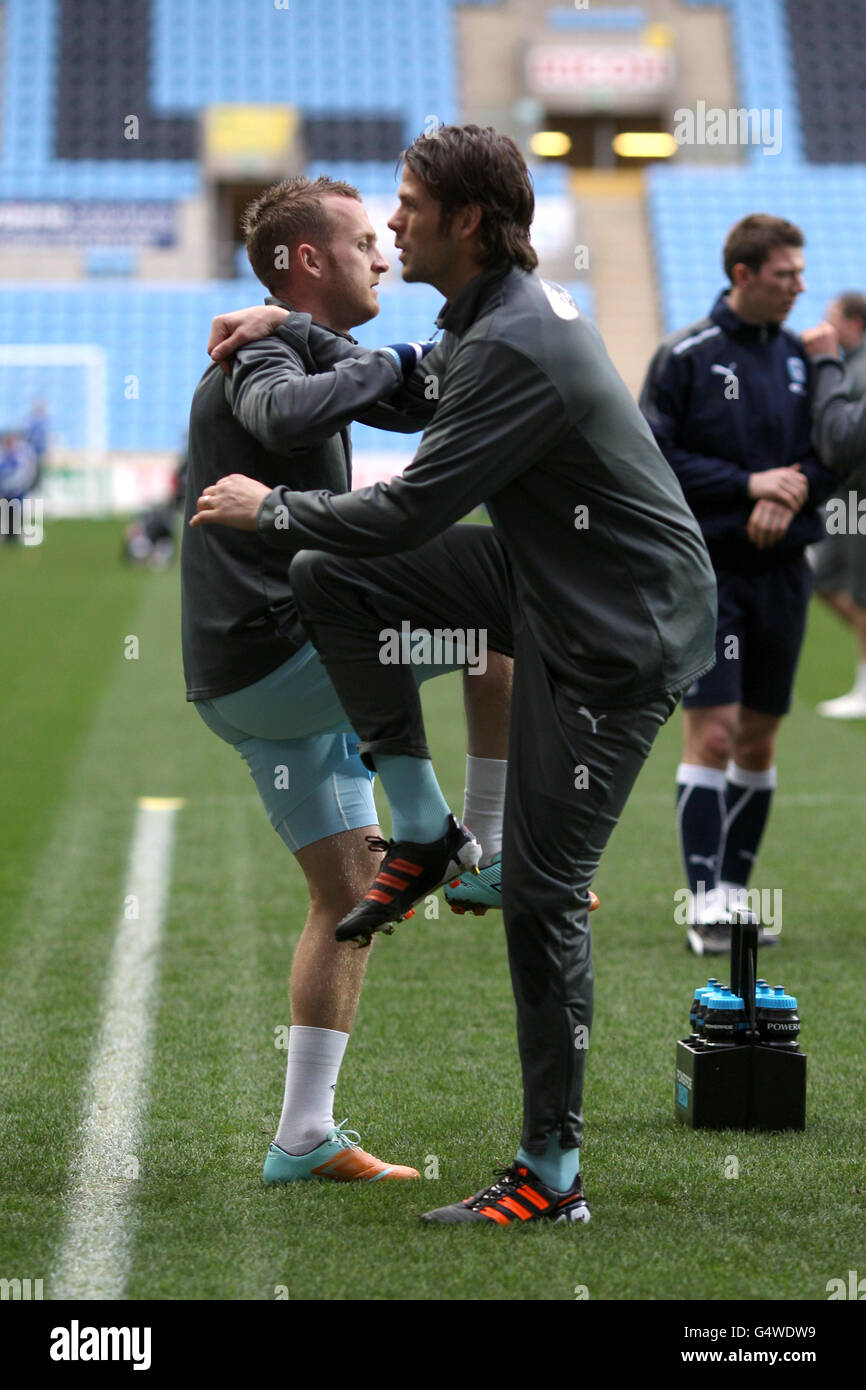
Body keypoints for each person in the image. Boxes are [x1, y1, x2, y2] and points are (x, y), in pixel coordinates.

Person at [190, 124, 717, 1227]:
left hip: (615, 629)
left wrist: (267, 504)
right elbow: (407, 381)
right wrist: (293, 323)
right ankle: (427, 832)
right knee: (332, 575)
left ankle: (550, 1176)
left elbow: (411, 509)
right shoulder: (490, 317)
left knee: (537, 895)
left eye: (409, 204)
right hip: (552, 579)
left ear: (467, 222)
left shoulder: (516, 342)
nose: (390, 225)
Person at [181, 173, 514, 1187]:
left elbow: (413, 389)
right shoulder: (263, 353)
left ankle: (301, 1136)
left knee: (346, 900)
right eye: (363, 240)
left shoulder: (287, 335)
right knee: (491, 622)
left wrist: (318, 333)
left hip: (256, 684)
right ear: (309, 260)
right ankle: (483, 844)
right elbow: (284, 415)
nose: (383, 254)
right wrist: (292, 330)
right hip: (282, 650)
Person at [640, 213, 837, 956]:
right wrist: (748, 484)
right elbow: (653, 457)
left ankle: (735, 893)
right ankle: (703, 904)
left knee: (758, 741)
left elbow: (834, 452)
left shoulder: (801, 359)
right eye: (787, 274)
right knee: (714, 732)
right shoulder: (687, 356)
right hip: (709, 571)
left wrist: (787, 493)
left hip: (785, 571)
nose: (800, 286)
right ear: (744, 275)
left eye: (801, 272)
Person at [804, 294, 866, 720]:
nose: (825, 328)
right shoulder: (848, 365)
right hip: (845, 496)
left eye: (832, 319)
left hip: (860, 496)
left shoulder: (859, 368)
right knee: (825, 578)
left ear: (854, 322)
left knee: (862, 592)